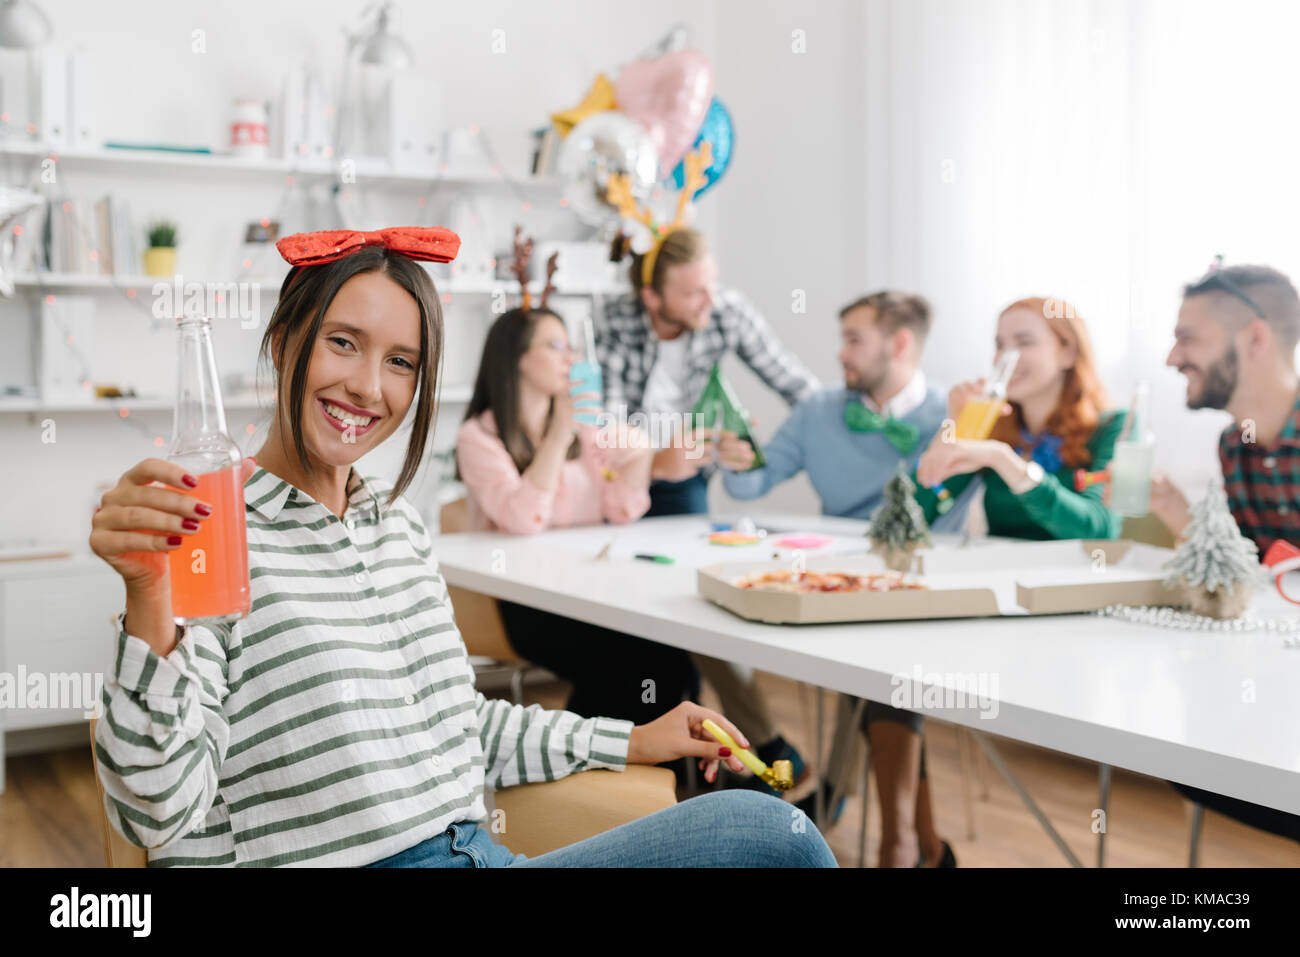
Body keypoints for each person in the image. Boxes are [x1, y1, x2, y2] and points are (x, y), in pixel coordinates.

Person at [87, 228, 837, 868]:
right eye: (342, 343)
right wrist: (149, 596)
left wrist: (635, 737)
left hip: (479, 852)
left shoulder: (398, 527)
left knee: (777, 831)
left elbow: (458, 727)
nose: (367, 386)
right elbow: (160, 813)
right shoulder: (210, 530)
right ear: (284, 342)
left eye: (400, 362)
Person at [721, 291, 964, 867]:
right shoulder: (818, 411)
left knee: (887, 660)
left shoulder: (952, 418)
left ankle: (865, 821)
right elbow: (753, 485)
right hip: (835, 589)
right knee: (881, 666)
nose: (840, 354)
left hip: (925, 595)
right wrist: (735, 456)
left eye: (855, 339)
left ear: (900, 343)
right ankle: (909, 842)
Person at [596, 226, 821, 791]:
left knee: (696, 605)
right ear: (653, 297)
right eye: (694, 292)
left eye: (712, 286)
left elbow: (797, 385)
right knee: (636, 620)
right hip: (619, 479)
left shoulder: (726, 312)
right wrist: (652, 457)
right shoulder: (614, 321)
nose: (709, 301)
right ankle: (673, 759)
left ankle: (745, 751)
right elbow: (602, 422)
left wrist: (800, 441)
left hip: (687, 485)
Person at [455, 305, 697, 727]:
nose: (571, 359)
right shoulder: (479, 436)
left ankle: (642, 774)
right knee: (637, 668)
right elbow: (523, 518)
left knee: (668, 654)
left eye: (571, 347)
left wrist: (639, 457)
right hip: (525, 603)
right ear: (517, 357)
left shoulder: (584, 429)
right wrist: (559, 431)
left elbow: (619, 510)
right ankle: (590, 762)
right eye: (556, 346)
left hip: (589, 591)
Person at [1152, 262, 1300, 845]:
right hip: (1277, 677)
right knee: (1195, 770)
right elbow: (1251, 574)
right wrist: (1177, 516)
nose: (1171, 358)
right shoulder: (1232, 446)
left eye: (1188, 337)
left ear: (1256, 338)